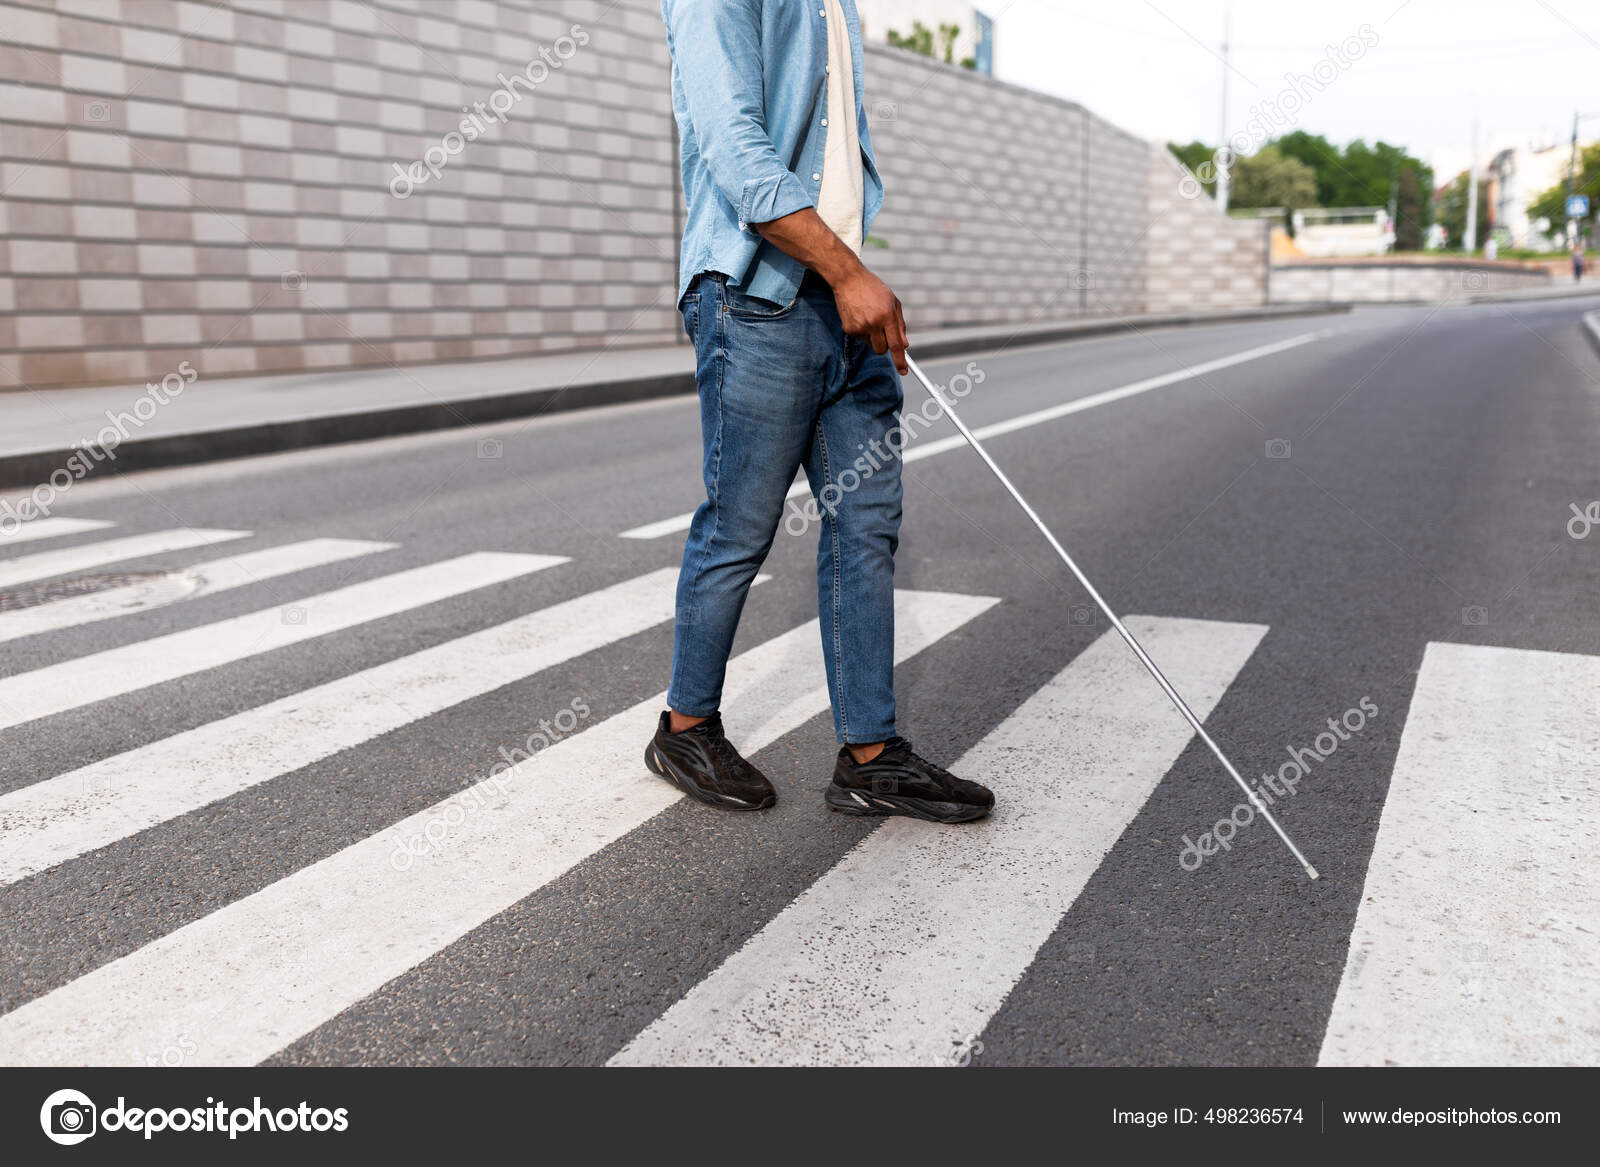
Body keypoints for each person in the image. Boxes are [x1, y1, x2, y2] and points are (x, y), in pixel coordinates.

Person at [646, 0, 995, 823]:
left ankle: (871, 756)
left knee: (866, 526)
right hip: (757, 295)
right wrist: (848, 273)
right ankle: (685, 730)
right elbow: (734, 145)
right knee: (740, 525)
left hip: (838, 296)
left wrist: (845, 275)